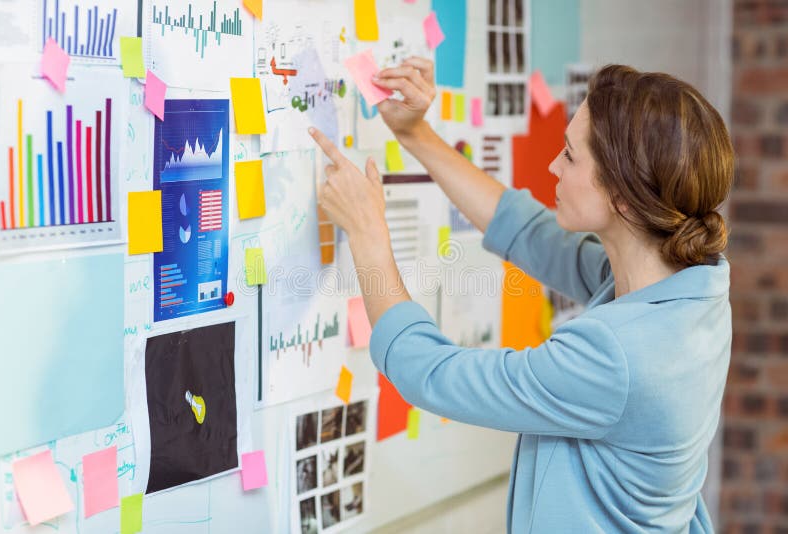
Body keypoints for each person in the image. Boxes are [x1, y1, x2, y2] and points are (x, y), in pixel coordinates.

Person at [308, 60, 733, 532]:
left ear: (624, 198)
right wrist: (415, 134)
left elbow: (430, 374)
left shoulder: (620, 358)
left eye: (569, 155)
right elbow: (529, 233)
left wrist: (368, 234)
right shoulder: (688, 288)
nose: (553, 164)